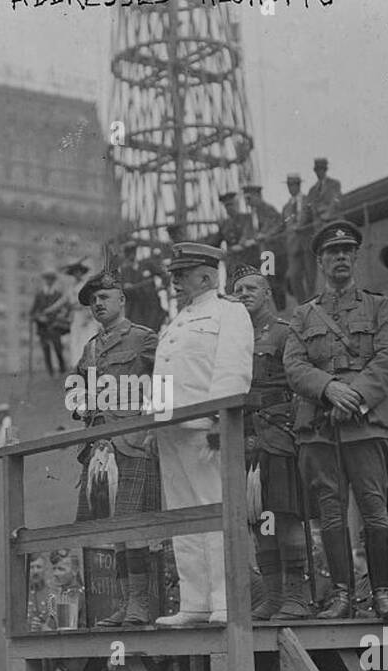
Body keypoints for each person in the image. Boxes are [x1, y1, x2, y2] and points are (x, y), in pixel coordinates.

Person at [284, 219, 388, 620]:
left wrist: (352, 397)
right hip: (320, 427)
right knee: (331, 514)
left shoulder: (378, 306)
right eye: (332, 253)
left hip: (366, 427)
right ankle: (341, 596)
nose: (340, 258)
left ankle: (383, 594)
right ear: (320, 261)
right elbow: (295, 366)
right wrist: (329, 389)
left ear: (354, 257)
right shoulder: (302, 316)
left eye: (346, 252)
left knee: (375, 509)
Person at [151, 242, 254, 626]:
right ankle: (194, 602)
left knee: (215, 509)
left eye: (182, 273)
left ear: (207, 276)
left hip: (205, 428)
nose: (175, 281)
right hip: (170, 429)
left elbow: (232, 369)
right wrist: (155, 420)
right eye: (174, 274)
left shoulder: (230, 312)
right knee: (183, 515)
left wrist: (218, 422)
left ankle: (225, 600)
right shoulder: (176, 321)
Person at [69, 270, 160, 628]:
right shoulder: (90, 347)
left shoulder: (142, 338)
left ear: (122, 300)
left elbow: (165, 378)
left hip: (133, 443)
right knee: (115, 531)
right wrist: (80, 402)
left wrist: (154, 425)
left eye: (104, 298)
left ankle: (139, 604)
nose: (97, 304)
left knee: (133, 526)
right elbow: (76, 387)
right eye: (93, 300)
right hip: (99, 448)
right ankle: (126, 603)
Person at [230, 261, 308, 621]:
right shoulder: (233, 340)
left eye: (251, 288)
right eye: (239, 290)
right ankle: (274, 597)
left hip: (279, 436)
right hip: (246, 440)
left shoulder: (285, 332)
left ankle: (297, 597)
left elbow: (300, 385)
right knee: (258, 517)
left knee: (286, 516)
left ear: (267, 293)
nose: (244, 294)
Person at [242, 184, 287, 307]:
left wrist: (264, 235)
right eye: (246, 199)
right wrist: (245, 241)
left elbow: (276, 225)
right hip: (262, 252)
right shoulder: (253, 214)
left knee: (273, 279)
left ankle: (281, 308)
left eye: (250, 198)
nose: (248, 202)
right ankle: (277, 307)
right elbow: (248, 232)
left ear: (258, 196)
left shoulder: (267, 209)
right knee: (267, 279)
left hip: (273, 250)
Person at [281, 172, 316, 304]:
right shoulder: (286, 207)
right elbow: (282, 226)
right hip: (293, 247)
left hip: (307, 244)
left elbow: (314, 218)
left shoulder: (308, 201)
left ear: (299, 185)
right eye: (289, 185)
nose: (291, 188)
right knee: (294, 277)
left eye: (294, 185)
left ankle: (313, 304)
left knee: (310, 277)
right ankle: (303, 305)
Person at [30, 268, 71, 376]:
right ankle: (50, 373)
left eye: (51, 279)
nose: (49, 281)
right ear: (44, 280)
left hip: (55, 326)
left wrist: (61, 316)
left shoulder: (58, 294)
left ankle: (62, 370)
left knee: (58, 348)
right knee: (45, 349)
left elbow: (66, 308)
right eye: (47, 279)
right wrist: (38, 318)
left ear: (54, 281)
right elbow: (32, 312)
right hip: (42, 327)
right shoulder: (39, 295)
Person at [304, 156, 342, 231]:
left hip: (333, 222)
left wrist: (328, 213)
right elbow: (309, 208)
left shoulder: (334, 184)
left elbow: (336, 200)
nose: (319, 172)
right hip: (319, 226)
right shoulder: (312, 191)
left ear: (325, 170)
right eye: (317, 170)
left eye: (321, 169)